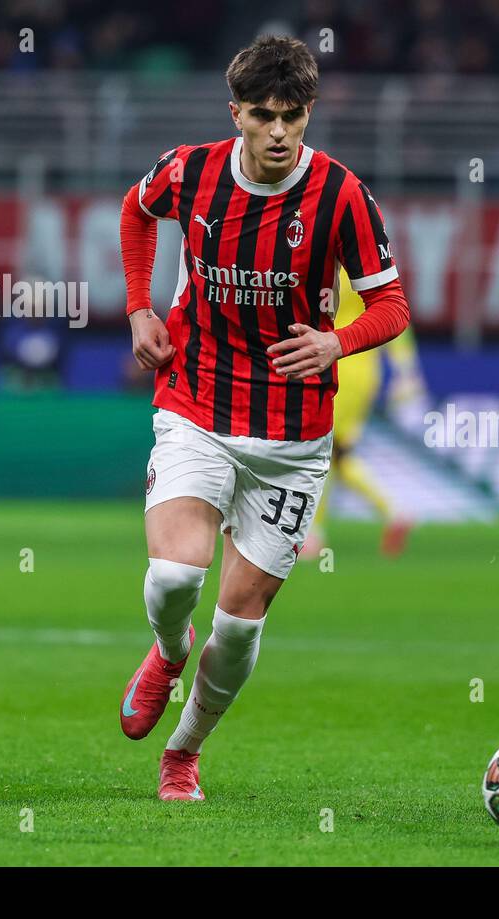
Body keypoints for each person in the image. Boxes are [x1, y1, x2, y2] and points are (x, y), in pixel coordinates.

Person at [117, 35, 410, 800]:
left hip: (291, 437)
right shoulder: (193, 170)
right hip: (198, 405)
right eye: (263, 116)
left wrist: (336, 341)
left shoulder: (342, 194)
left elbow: (392, 306)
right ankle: (167, 652)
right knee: (173, 578)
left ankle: (183, 754)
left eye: (293, 116)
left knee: (241, 627)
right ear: (235, 113)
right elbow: (136, 209)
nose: (279, 132)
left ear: (308, 113)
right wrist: (139, 306)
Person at [300, 264, 426, 560]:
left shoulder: (336, 266)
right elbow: (393, 312)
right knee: (338, 454)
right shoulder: (361, 264)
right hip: (361, 369)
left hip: (341, 366)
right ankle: (394, 512)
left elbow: (392, 311)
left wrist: (407, 371)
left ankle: (313, 534)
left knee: (324, 449)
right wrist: (405, 369)